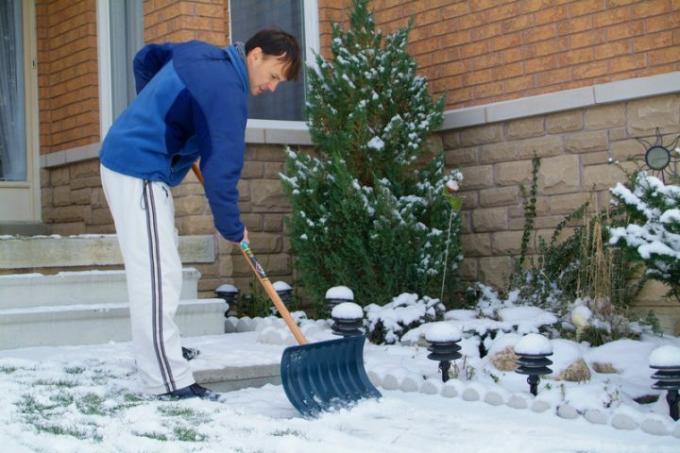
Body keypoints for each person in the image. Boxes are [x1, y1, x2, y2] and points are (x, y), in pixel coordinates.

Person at [99, 29, 301, 400]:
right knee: (156, 275)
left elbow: (145, 57)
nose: (272, 88)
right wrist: (233, 228)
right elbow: (222, 171)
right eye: (274, 76)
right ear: (255, 55)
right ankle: (165, 379)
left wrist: (168, 118)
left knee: (165, 267)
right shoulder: (227, 94)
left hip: (133, 161)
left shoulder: (201, 54)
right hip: (137, 166)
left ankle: (161, 349)